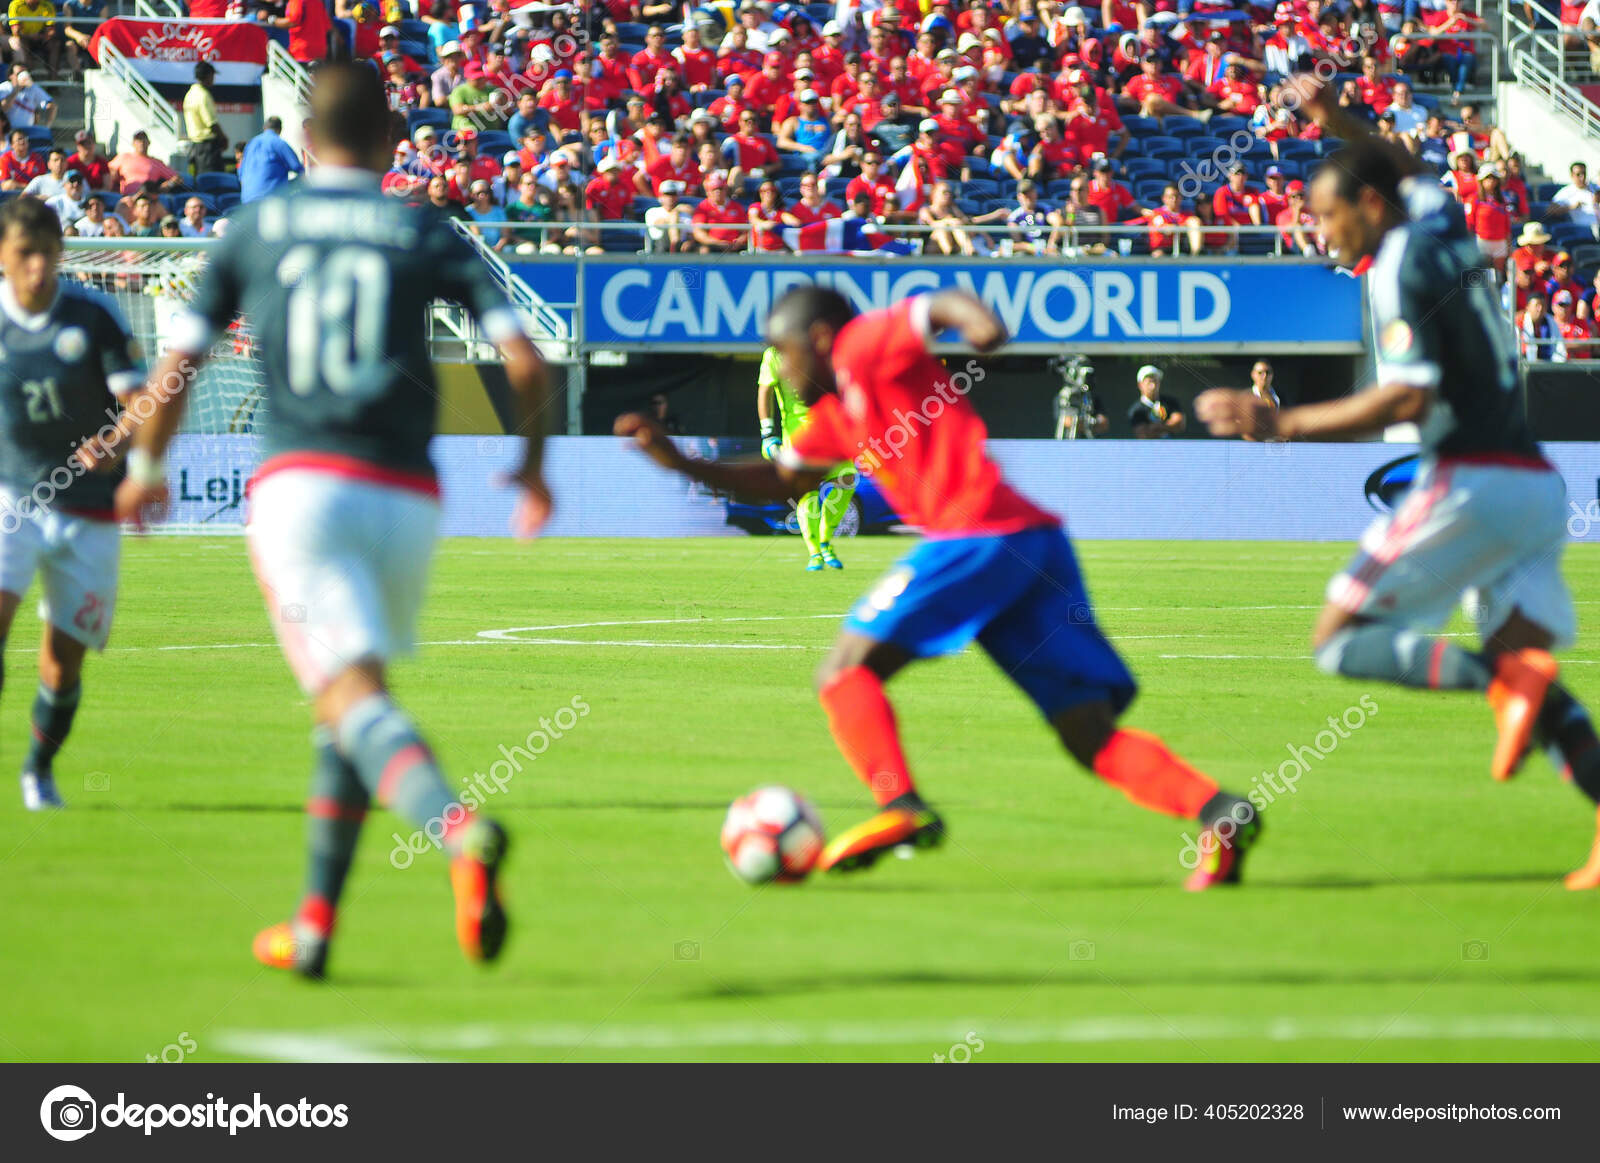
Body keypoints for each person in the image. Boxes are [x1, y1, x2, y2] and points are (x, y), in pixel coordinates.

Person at [101, 63, 554, 977]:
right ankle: (314, 928)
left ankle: (458, 830)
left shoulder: (257, 228)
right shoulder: (422, 229)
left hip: (302, 488)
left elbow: (176, 369)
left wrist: (145, 468)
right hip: (407, 496)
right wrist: (535, 469)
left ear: (306, 142)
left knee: (350, 700)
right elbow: (527, 363)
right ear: (390, 141)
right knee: (347, 702)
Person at [616, 286, 1261, 886]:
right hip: (1033, 544)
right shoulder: (837, 414)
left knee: (843, 670)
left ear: (818, 338)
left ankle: (900, 805)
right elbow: (784, 481)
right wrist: (683, 462)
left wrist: (979, 323)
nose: (780, 370)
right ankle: (1220, 813)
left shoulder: (862, 344)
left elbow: (941, 305)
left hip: (975, 535)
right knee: (1085, 733)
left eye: (782, 353)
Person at [1197, 73, 1600, 892]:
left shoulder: (1396, 267)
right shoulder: (1442, 225)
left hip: (1472, 484)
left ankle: (1501, 680)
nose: (1321, 231)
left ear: (1369, 207)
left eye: (1327, 214)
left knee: (1339, 640)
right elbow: (1405, 165)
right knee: (1538, 683)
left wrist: (1283, 422)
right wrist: (1337, 120)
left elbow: (1409, 395)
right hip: (1534, 485)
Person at [0, 196, 141, 810]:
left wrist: (116, 442)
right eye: (25, 254)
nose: (38, 267)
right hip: (11, 494)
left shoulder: (92, 316)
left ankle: (38, 769)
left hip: (87, 505)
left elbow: (141, 404)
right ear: (3, 256)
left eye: (48, 254)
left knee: (62, 665)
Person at [755, 345, 856, 571]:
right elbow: (765, 390)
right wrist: (768, 433)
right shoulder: (774, 354)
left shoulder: (824, 346)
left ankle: (825, 539)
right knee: (807, 490)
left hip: (831, 428)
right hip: (798, 432)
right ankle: (815, 552)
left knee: (847, 479)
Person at [238, 116, 304, 204]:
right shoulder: (278, 142)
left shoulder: (250, 144)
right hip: (270, 200)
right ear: (280, 129)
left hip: (247, 200)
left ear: (264, 128)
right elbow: (297, 167)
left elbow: (241, 173)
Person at [183, 62, 227, 177]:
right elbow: (211, 123)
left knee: (201, 179)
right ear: (208, 76)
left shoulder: (190, 94)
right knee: (213, 180)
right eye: (212, 75)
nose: (213, 79)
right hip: (208, 148)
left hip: (196, 146)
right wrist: (223, 138)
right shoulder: (203, 95)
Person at [107, 130, 184, 196]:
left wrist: (165, 187)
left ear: (149, 142)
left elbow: (177, 178)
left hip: (149, 197)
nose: (142, 143)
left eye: (144, 140)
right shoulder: (124, 157)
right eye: (139, 140)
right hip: (127, 197)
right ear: (133, 143)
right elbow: (107, 171)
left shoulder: (156, 162)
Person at [1128, 364, 1186, 437]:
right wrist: (1168, 426)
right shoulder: (1136, 410)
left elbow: (1179, 424)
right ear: (1140, 385)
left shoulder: (1170, 402)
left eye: (1155, 381)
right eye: (1149, 382)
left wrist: (1157, 427)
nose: (1153, 386)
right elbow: (1143, 434)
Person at [7, 0, 59, 77]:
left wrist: (42, 37)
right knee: (20, 43)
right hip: (24, 38)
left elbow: (51, 30)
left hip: (41, 38)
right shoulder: (15, 5)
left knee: (55, 44)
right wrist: (30, 36)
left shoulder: (48, 5)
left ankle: (53, 78)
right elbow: (16, 32)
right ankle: (26, 77)